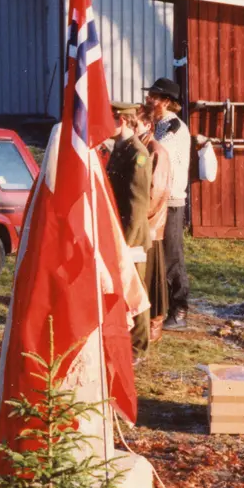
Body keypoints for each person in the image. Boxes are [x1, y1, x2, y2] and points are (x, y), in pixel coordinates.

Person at [105, 102, 152, 362]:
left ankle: (139, 347)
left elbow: (137, 204)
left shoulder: (138, 153)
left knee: (137, 291)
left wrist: (127, 243)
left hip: (132, 236)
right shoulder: (121, 149)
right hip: (121, 232)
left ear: (122, 120)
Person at [144, 77, 191, 330]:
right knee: (158, 256)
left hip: (171, 200)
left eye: (153, 96)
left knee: (172, 256)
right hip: (157, 198)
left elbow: (156, 152)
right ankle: (162, 306)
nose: (148, 100)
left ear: (166, 102)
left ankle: (180, 309)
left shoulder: (173, 128)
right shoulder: (159, 125)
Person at [134, 112, 172, 348]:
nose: (130, 127)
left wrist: (140, 217)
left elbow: (155, 193)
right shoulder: (141, 149)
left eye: (134, 123)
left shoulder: (156, 151)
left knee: (151, 278)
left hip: (150, 226)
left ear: (148, 124)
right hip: (140, 224)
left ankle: (154, 324)